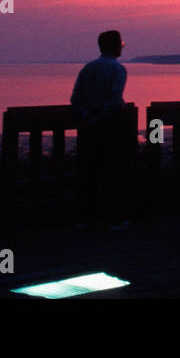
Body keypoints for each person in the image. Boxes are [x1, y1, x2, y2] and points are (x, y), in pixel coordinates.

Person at [71, 30, 131, 230]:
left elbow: (75, 98)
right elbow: (114, 100)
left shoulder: (88, 68)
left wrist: (87, 118)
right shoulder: (118, 69)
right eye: (121, 43)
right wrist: (100, 119)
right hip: (110, 126)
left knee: (88, 172)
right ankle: (112, 219)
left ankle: (86, 219)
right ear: (115, 46)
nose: (122, 46)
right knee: (112, 172)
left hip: (87, 125)